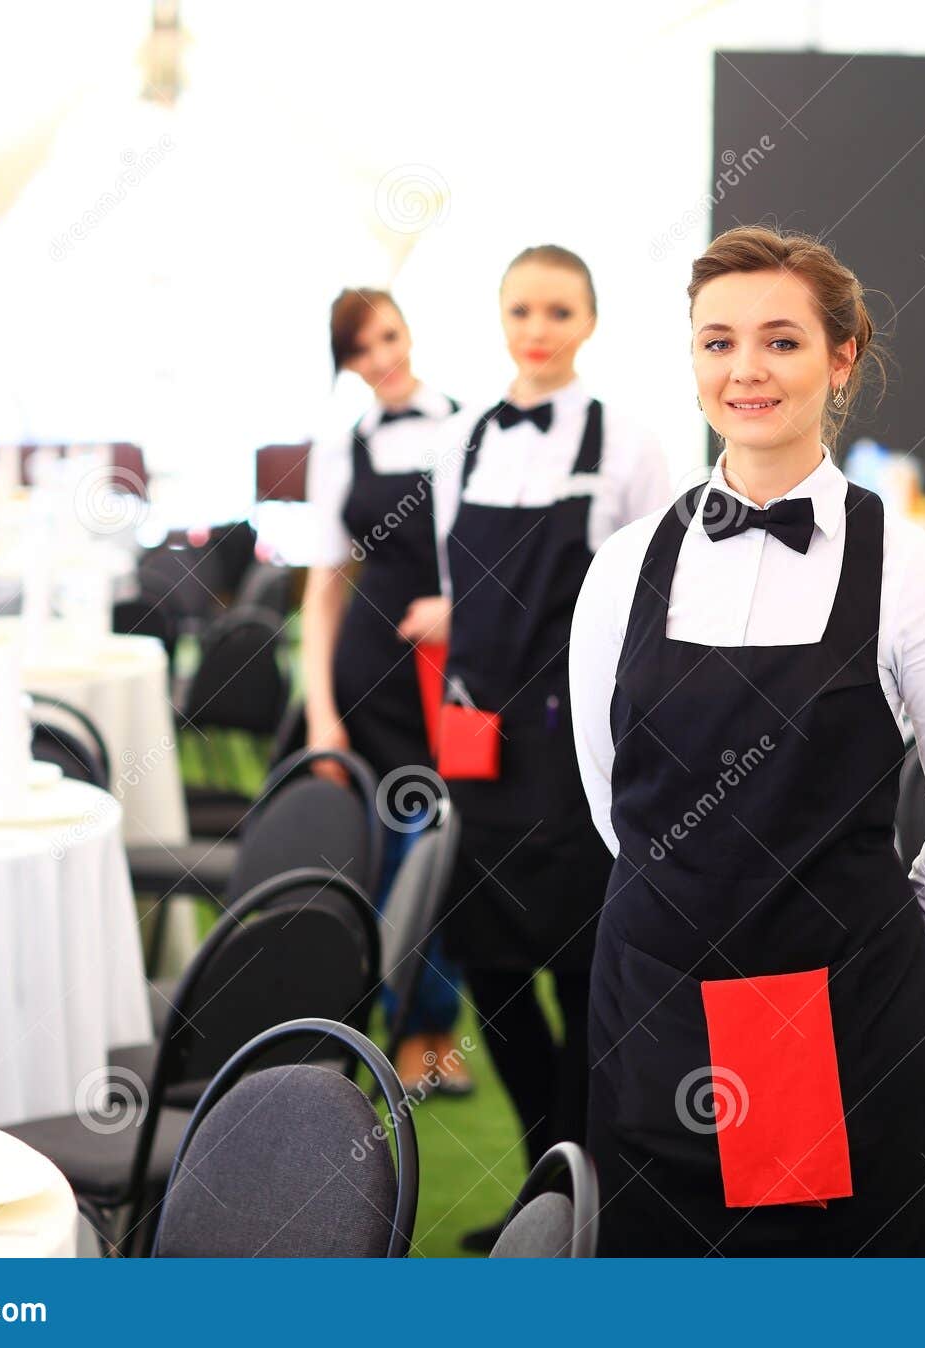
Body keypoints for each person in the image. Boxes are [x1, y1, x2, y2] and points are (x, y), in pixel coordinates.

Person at [569, 225, 925, 1256]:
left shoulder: (909, 569)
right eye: (717, 342)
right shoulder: (626, 563)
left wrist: (878, 947)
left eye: (780, 341)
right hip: (656, 992)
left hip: (840, 1015)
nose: (746, 370)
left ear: (842, 354)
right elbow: (610, 794)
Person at [401, 245, 670, 1248]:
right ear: (500, 317)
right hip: (479, 746)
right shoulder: (461, 438)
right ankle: (539, 1180)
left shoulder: (630, 443)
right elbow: (452, 583)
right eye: (521, 308)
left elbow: (657, 606)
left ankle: (585, 1197)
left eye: (558, 310)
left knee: (580, 970)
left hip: (579, 754)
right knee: (491, 970)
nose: (537, 327)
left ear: (588, 322)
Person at [301, 286, 468, 1095]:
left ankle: (438, 1027)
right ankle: (403, 1032)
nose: (384, 358)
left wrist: (460, 607)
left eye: (390, 337)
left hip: (455, 676)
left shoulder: (473, 426)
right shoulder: (344, 447)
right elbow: (322, 591)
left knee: (449, 849)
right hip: (368, 677)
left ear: (411, 332)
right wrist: (321, 715)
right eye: (363, 349)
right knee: (387, 857)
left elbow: (513, 562)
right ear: (349, 364)